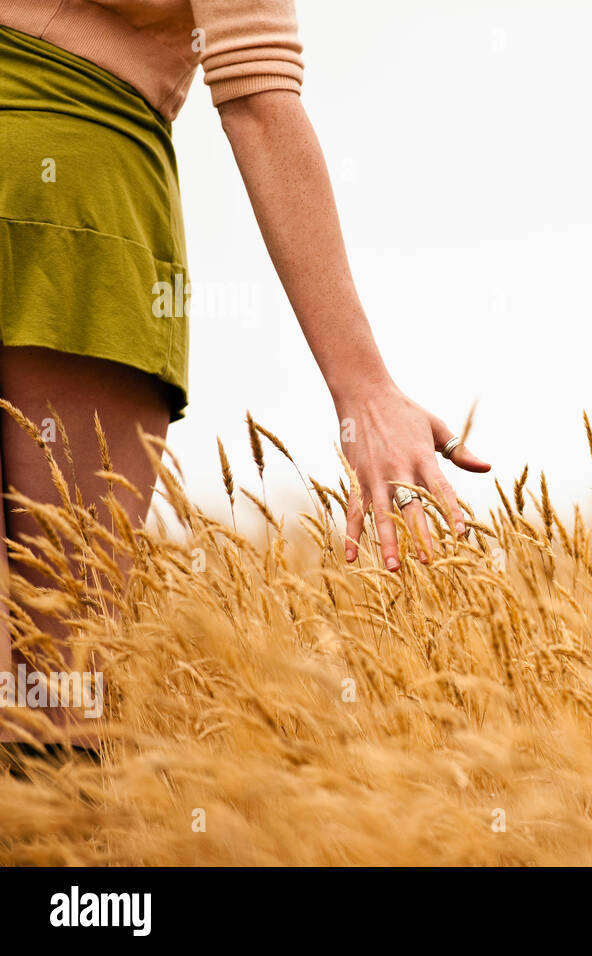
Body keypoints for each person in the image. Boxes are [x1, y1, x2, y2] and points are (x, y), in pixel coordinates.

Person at [0, 0, 489, 758]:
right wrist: (362, 385)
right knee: (54, 705)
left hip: (64, 190)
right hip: (73, 207)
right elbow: (256, 90)